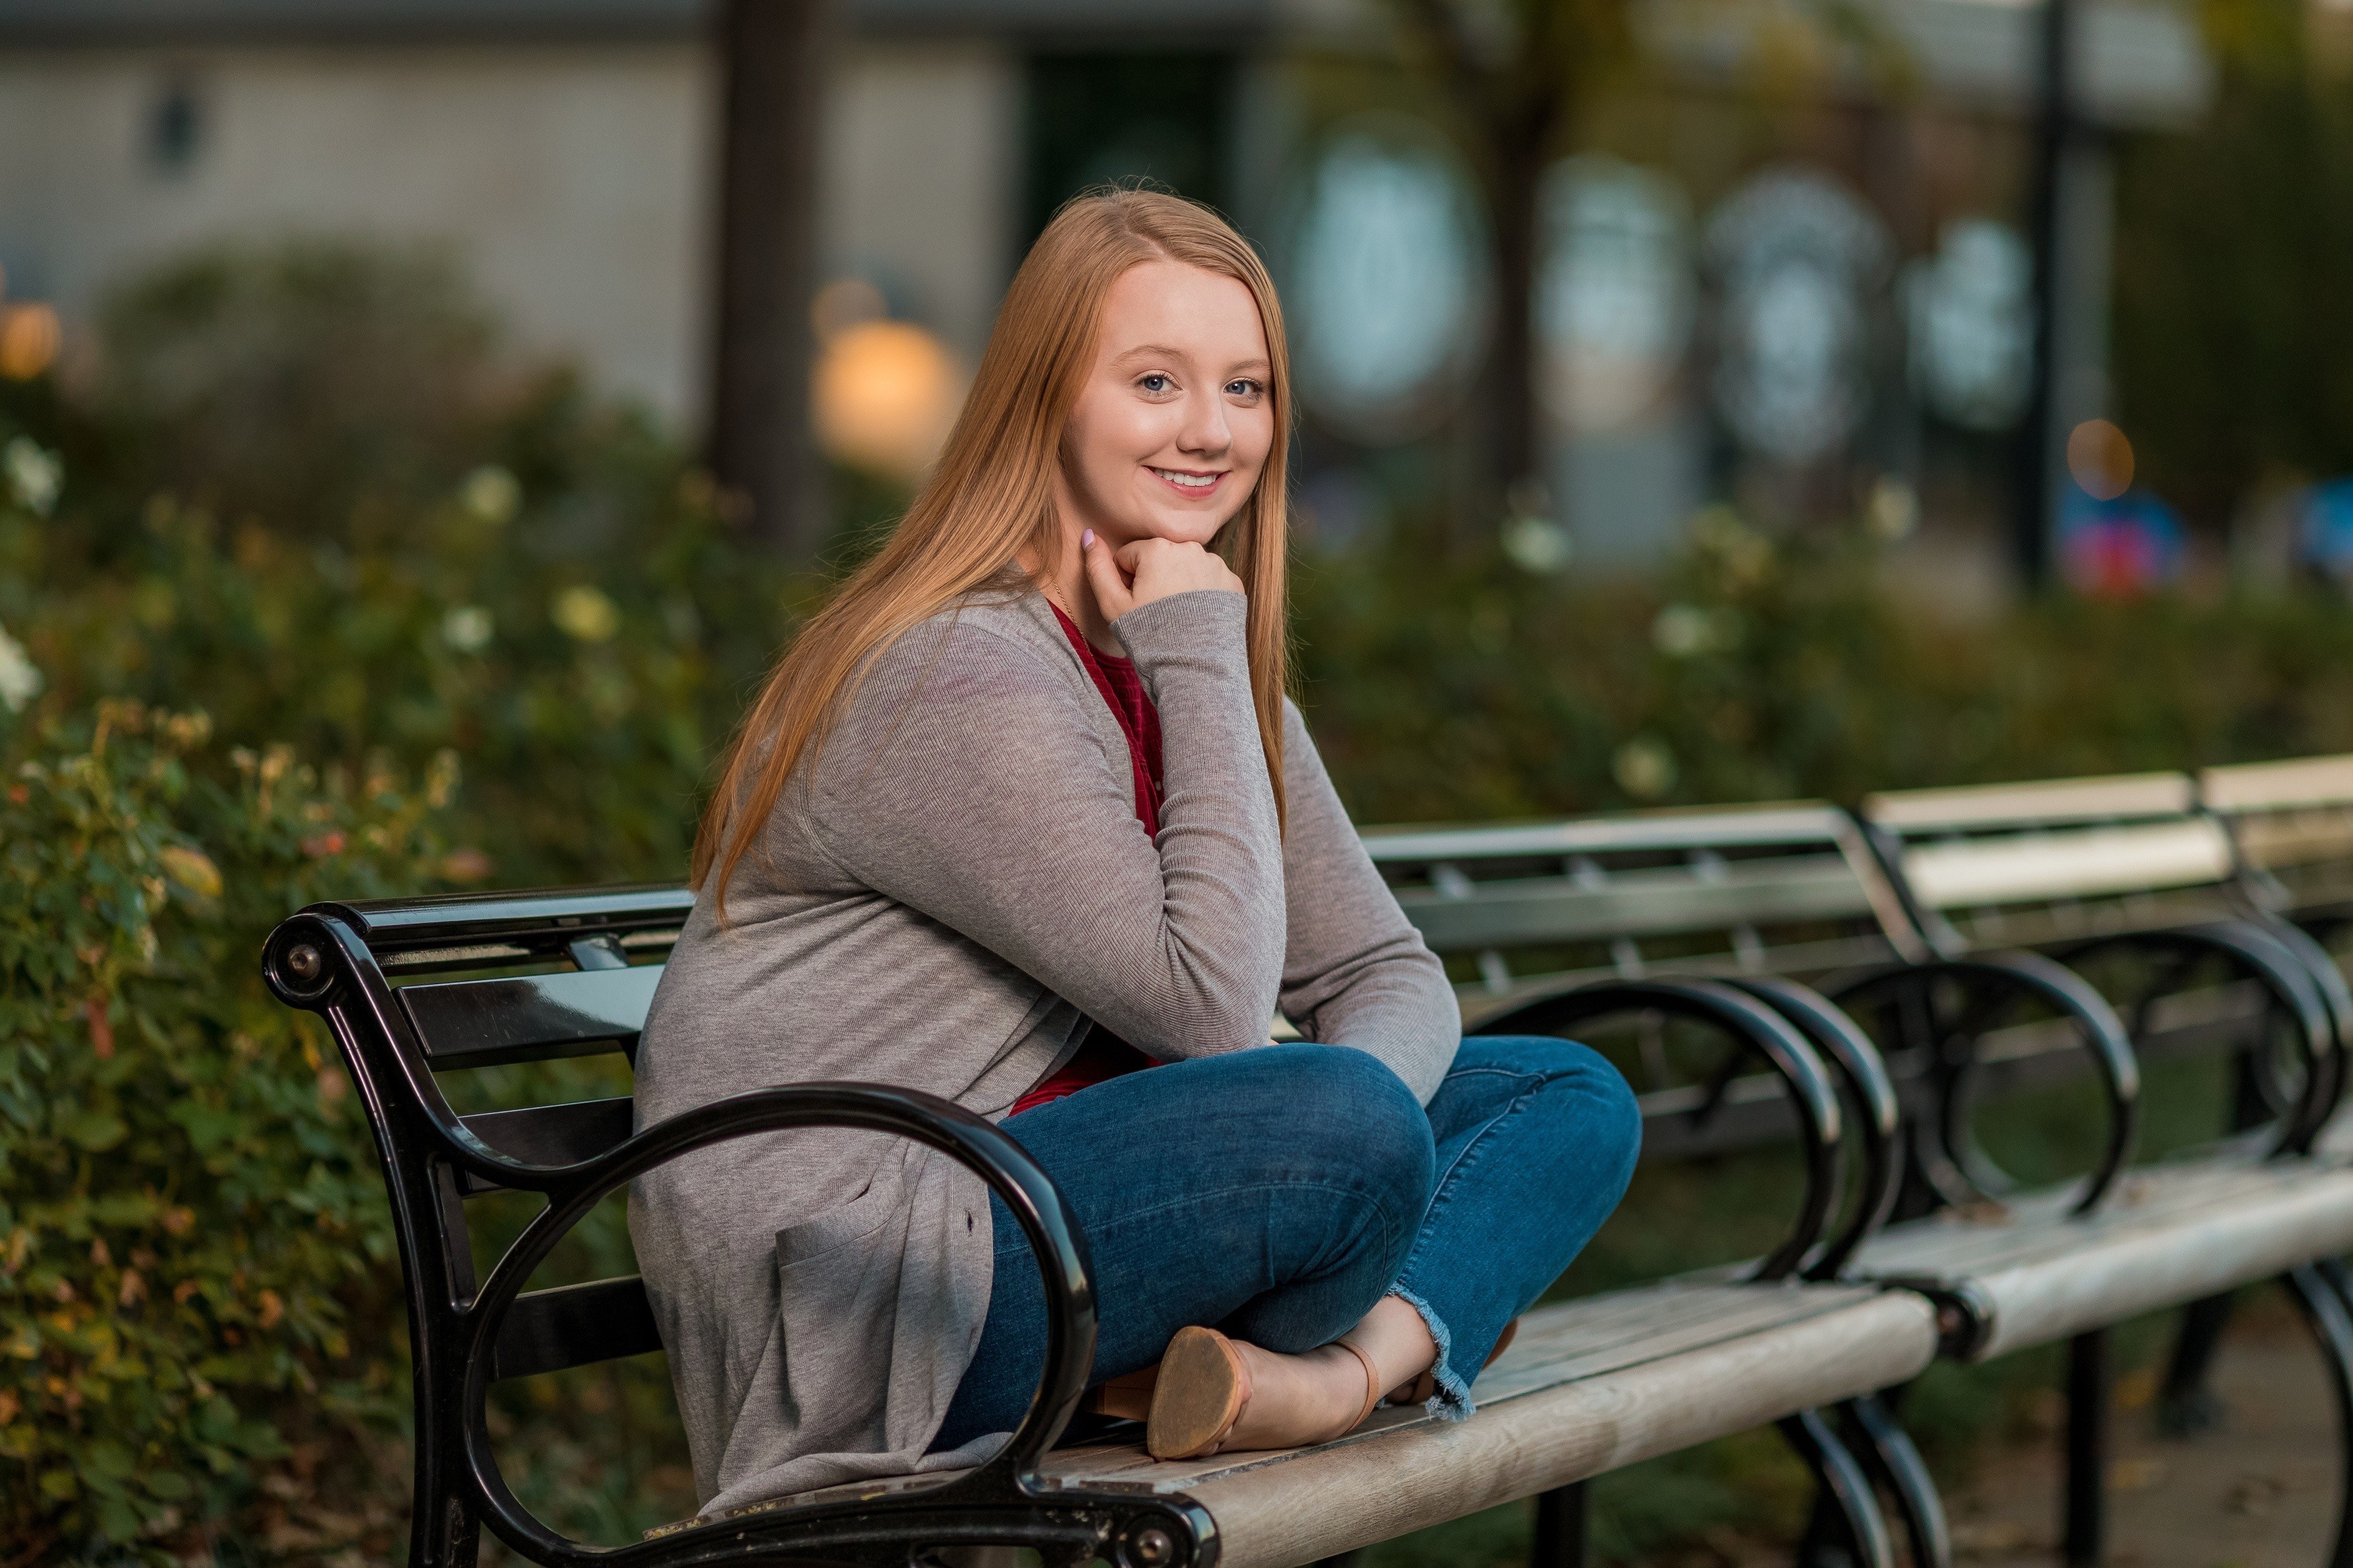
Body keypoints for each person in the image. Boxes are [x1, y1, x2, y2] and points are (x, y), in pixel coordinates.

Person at [629, 188, 1642, 1520]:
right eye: (1156, 381)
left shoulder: (1192, 666)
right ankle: (1349, 1342)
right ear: (1047, 397)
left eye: (1247, 387)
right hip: (892, 1281)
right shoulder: (956, 674)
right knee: (1343, 1127)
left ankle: (1329, 1379)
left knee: (1561, 1096)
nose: (1212, 432)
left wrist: (1368, 1126)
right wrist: (1198, 652)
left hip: (1069, 1212)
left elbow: (1385, 967)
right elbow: (1216, 1018)